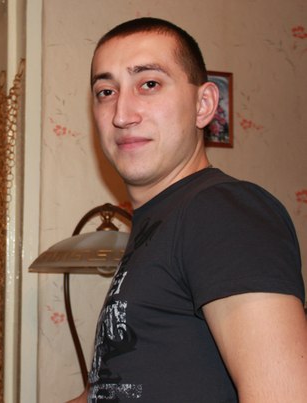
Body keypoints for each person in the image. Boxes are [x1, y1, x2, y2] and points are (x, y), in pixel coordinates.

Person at [70, 17, 307, 402]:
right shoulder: (160, 224)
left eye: (149, 84)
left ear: (204, 104)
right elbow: (113, 388)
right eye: (106, 91)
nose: (121, 114)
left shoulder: (221, 212)